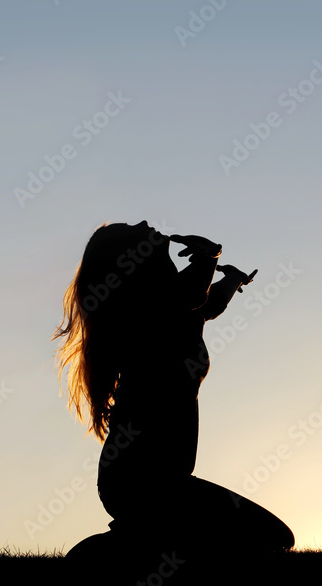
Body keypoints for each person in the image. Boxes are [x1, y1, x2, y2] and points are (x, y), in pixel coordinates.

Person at [55, 221, 294, 557]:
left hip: (164, 482)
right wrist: (209, 255)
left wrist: (232, 277)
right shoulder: (150, 308)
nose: (146, 224)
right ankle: (108, 553)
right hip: (140, 481)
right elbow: (194, 295)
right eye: (136, 229)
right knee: (266, 538)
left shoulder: (178, 311)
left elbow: (209, 305)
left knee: (273, 536)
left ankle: (134, 543)